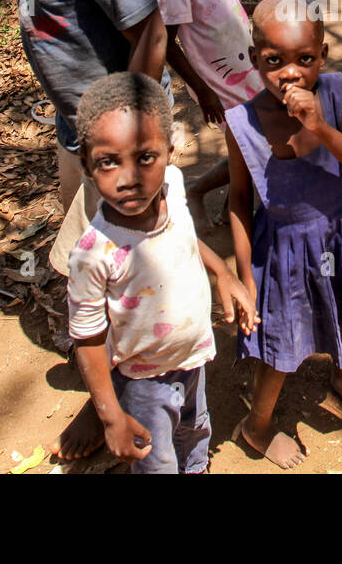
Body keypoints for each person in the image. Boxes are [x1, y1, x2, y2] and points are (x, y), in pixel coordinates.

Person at [0, 0, 168, 458]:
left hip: (117, 142)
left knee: (117, 272)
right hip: (80, 132)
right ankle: (114, 377)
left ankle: (121, 400)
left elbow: (149, 30)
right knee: (93, 263)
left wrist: (138, 139)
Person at [225, 0, 342, 468]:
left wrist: (321, 128)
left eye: (305, 60)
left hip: (335, 234)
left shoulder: (334, 94)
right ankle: (256, 427)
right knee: (281, 342)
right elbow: (238, 201)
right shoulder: (242, 123)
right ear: (255, 59)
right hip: (282, 252)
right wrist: (244, 278)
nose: (290, 73)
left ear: (323, 57)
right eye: (274, 61)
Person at [66, 72, 256, 473]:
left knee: (195, 434)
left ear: (169, 151)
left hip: (193, 360)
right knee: (157, 461)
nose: (130, 178)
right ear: (86, 165)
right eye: (108, 162)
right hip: (142, 382)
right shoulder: (94, 253)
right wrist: (110, 415)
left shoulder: (171, 183)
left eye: (145, 157)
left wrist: (222, 271)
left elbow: (183, 236)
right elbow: (86, 338)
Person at [155, 0, 263, 225]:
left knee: (250, 151)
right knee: (248, 152)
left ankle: (225, 205)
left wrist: (264, 8)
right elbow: (166, 44)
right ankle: (207, 197)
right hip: (221, 86)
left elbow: (229, 11)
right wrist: (203, 91)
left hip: (250, 71)